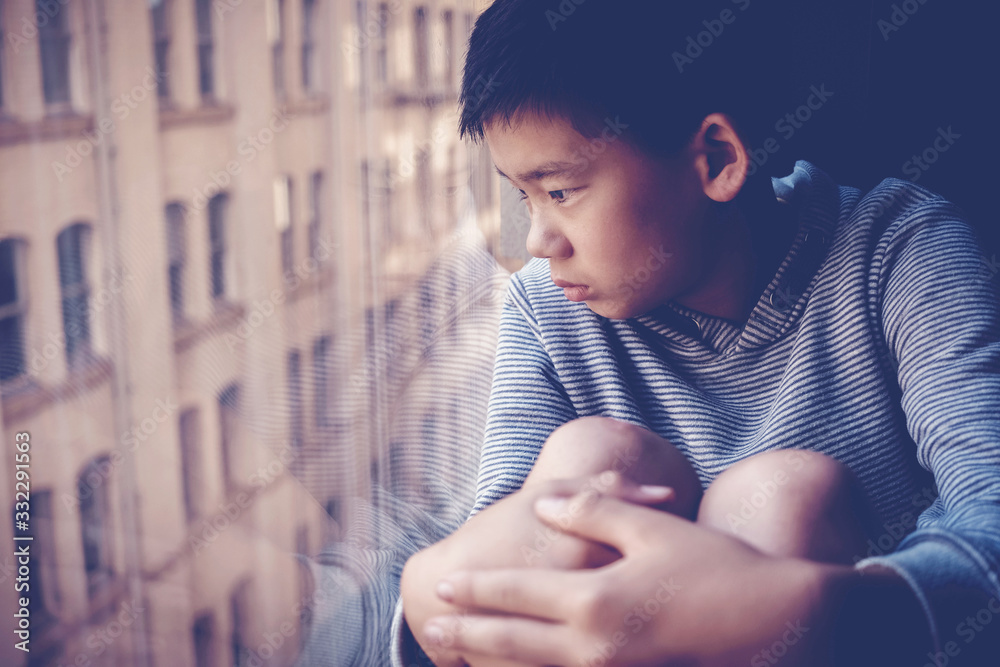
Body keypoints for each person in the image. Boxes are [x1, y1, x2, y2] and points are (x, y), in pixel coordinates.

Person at [395, 1, 1000, 665]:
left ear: (715, 159)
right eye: (521, 196)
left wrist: (826, 611)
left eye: (561, 192)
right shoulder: (549, 309)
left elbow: (991, 516)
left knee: (781, 498)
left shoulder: (900, 254)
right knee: (592, 457)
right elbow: (501, 550)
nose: (538, 241)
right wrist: (426, 607)